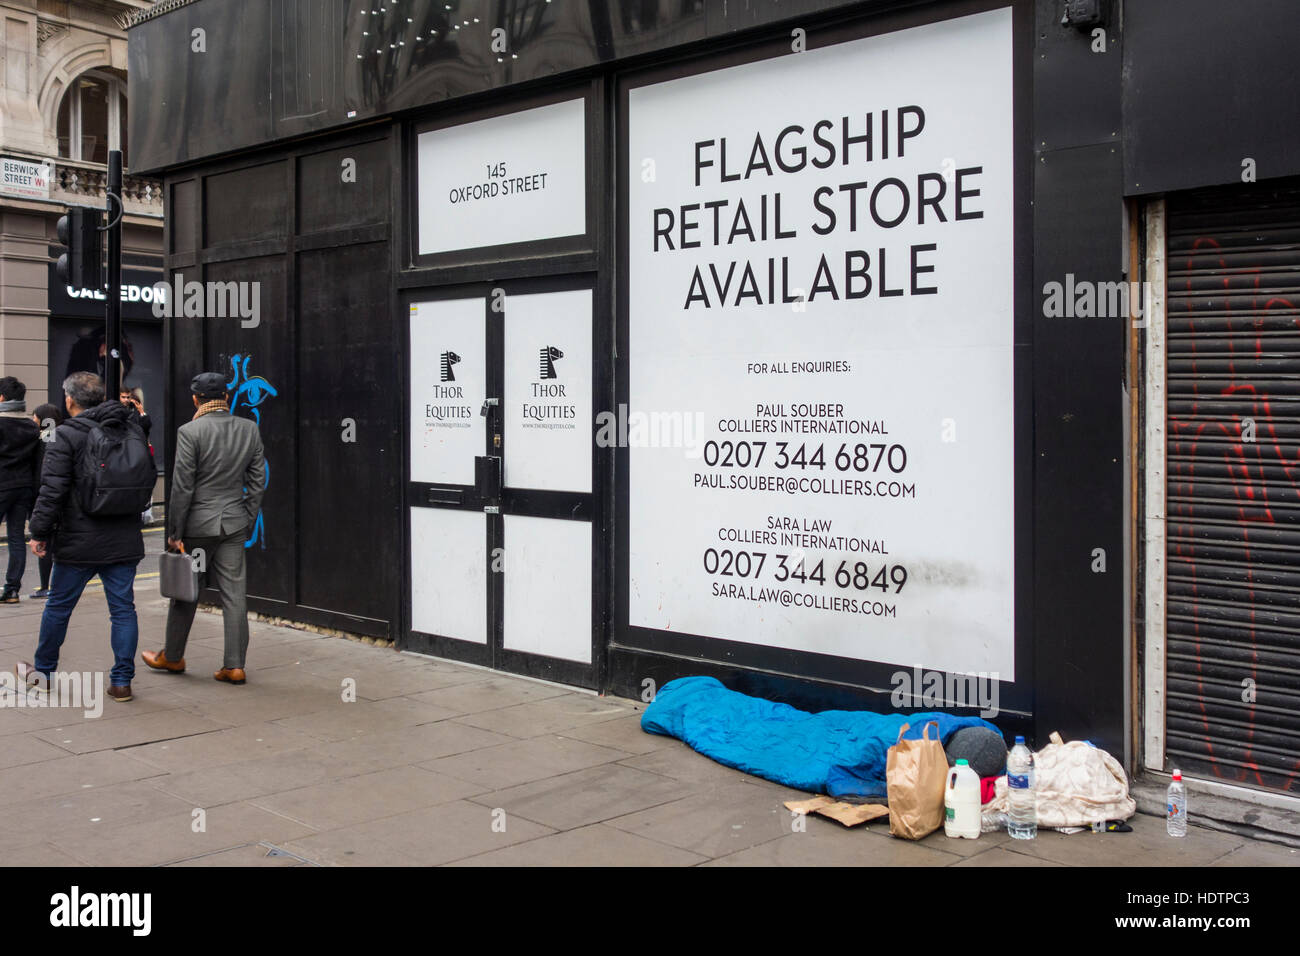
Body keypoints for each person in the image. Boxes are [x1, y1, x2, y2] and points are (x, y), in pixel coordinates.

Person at [15, 373, 146, 702]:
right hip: (124, 536)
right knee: (123, 610)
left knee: (58, 608)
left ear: (70, 400)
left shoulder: (67, 434)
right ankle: (121, 681)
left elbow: (52, 490)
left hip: (78, 538)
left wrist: (39, 532)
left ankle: (43, 672)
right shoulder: (130, 427)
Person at [143, 372, 265, 684]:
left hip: (198, 527)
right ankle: (235, 665)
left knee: (186, 592)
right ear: (226, 396)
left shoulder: (190, 431)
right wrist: (247, 518)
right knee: (235, 594)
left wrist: (175, 532)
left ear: (196, 399)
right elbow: (256, 481)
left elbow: (183, 486)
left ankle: (172, 657)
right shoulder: (249, 429)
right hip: (234, 523)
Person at [0, 377, 40, 603]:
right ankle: (12, 590)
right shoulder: (31, 426)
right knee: (16, 538)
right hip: (23, 488)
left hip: (2, 486)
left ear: (2, 398)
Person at [27, 402, 66, 599]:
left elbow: (43, 472)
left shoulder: (48, 435)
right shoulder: (61, 432)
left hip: (47, 497)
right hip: (62, 500)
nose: (34, 421)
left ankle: (45, 586)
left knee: (46, 544)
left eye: (35, 418)